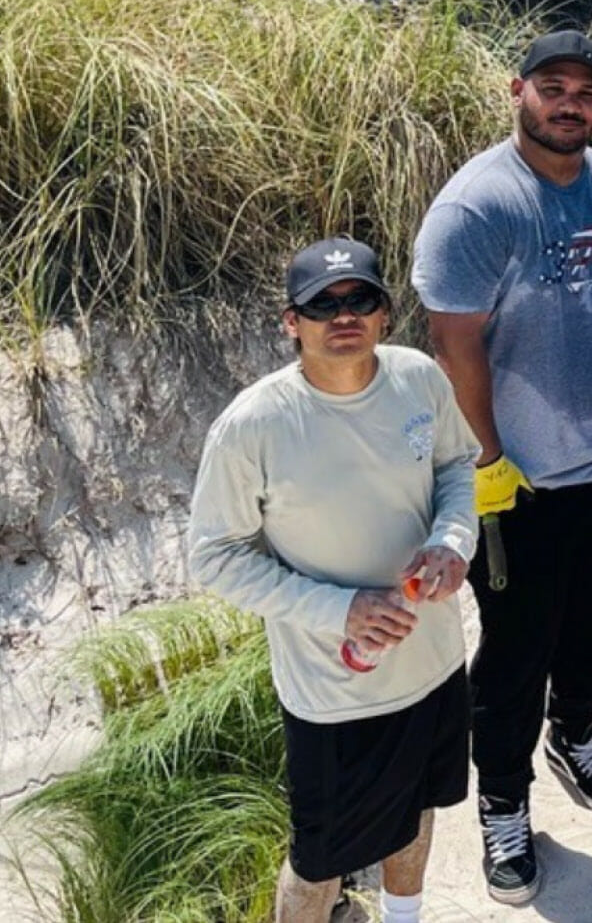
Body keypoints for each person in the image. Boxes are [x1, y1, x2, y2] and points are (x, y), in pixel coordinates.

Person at [414, 30, 592, 905]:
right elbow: (453, 341)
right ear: (518, 90)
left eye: (588, 92)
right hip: (524, 482)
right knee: (514, 652)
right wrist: (488, 462)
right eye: (553, 87)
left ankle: (577, 734)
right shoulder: (477, 207)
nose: (571, 104)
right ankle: (503, 801)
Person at [188, 238, 475, 923]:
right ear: (291, 322)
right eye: (322, 305)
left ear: (385, 313)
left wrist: (451, 541)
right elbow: (214, 558)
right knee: (318, 861)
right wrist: (340, 610)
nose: (343, 316)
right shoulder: (253, 425)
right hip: (334, 692)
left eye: (360, 300)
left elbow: (455, 467)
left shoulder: (419, 379)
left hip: (436, 663)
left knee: (419, 808)